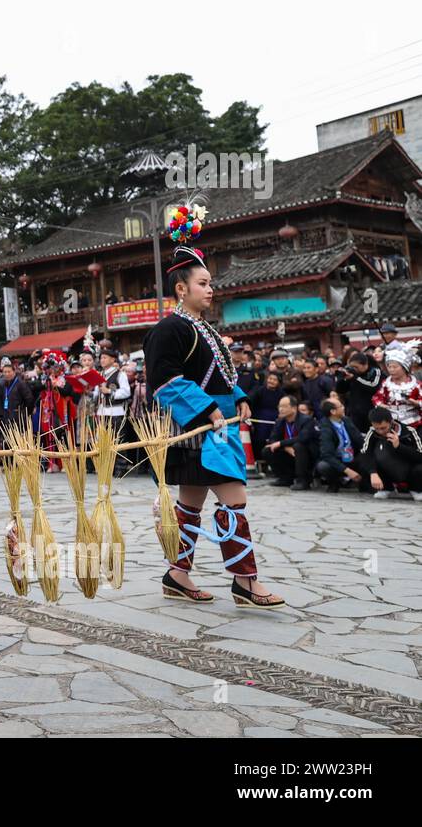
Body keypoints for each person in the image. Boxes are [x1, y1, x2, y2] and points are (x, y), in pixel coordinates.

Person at [143, 232, 284, 609]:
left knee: (190, 504)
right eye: (202, 283)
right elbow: (164, 381)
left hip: (219, 425)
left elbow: (224, 376)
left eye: (210, 283)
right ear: (180, 288)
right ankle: (245, 581)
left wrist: (239, 399)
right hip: (199, 430)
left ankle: (176, 574)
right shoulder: (168, 329)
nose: (210, 290)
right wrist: (207, 409)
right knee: (234, 500)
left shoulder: (207, 330)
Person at [362, 405, 422, 500]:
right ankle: (386, 488)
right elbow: (365, 454)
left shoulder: (410, 431)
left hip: (409, 469)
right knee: (372, 457)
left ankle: (416, 489)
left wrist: (399, 446)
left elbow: (420, 456)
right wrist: (372, 472)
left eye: (383, 428)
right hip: (387, 469)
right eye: (377, 428)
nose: (380, 431)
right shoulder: (372, 432)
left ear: (391, 422)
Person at [262, 394, 315, 490]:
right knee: (268, 449)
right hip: (289, 451)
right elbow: (273, 439)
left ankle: (303, 480)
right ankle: (285, 478)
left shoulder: (307, 420)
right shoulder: (280, 421)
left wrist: (281, 444)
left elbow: (303, 438)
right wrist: (285, 447)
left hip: (306, 454)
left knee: (299, 446)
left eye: (284, 406)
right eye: (279, 406)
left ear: (294, 408)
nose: (280, 409)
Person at [315, 398, 366, 494]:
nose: (343, 408)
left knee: (367, 456)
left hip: (351, 456)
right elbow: (327, 455)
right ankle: (334, 483)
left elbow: (359, 440)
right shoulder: (325, 427)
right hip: (336, 460)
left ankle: (364, 484)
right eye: (341, 406)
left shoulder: (346, 420)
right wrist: (347, 471)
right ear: (333, 411)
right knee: (323, 466)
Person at [372, 340, 422, 427]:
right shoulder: (386, 384)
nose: (391, 369)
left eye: (394, 367)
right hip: (392, 424)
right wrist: (382, 406)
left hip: (415, 424)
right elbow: (377, 398)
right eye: (389, 366)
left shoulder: (416, 385)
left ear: (404, 368)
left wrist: (416, 403)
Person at [336, 351, 382, 433]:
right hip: (355, 413)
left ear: (365, 365)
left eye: (356, 367)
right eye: (352, 366)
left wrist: (355, 378)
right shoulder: (352, 374)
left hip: (371, 412)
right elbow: (340, 390)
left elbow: (373, 386)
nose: (354, 369)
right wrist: (341, 379)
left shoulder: (375, 371)